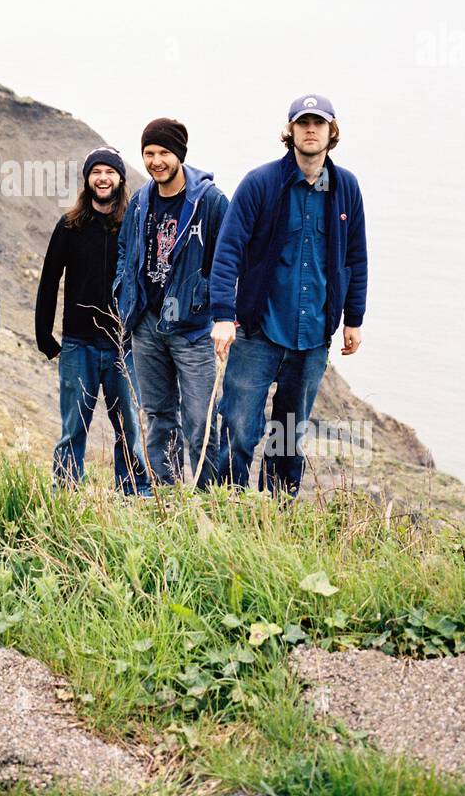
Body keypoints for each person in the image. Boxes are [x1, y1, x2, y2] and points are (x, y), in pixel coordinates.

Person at [209, 94, 368, 498]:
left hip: (313, 338)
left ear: (332, 131)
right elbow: (228, 249)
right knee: (239, 430)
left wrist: (354, 318)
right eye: (302, 123)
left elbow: (356, 256)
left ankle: (275, 518)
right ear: (290, 131)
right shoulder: (260, 183)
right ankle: (222, 511)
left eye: (318, 123)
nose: (310, 129)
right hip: (259, 333)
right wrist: (223, 314)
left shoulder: (346, 188)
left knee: (286, 440)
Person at [113, 118, 229, 487]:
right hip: (146, 326)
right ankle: (166, 498)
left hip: (193, 330)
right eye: (149, 153)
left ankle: (210, 500)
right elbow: (124, 252)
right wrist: (123, 292)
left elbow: (228, 260)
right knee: (159, 415)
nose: (156, 160)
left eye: (164, 152)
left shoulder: (209, 202)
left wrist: (215, 306)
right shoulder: (140, 200)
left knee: (200, 421)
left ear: (180, 154)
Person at [35, 147, 148, 494]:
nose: (103, 178)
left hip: (123, 346)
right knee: (74, 426)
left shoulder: (134, 224)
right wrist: (44, 336)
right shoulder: (70, 226)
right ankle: (66, 492)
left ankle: (134, 494)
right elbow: (50, 279)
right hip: (78, 344)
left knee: (129, 426)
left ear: (120, 179)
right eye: (96, 172)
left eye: (109, 172)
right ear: (87, 179)